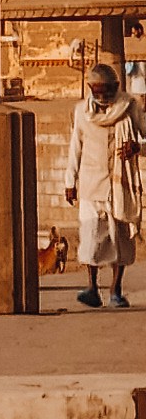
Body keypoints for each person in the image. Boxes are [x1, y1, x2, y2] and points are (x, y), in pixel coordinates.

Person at [64, 64, 143, 310]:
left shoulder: (129, 108)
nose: (102, 98)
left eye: (106, 91)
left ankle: (116, 289)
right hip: (92, 184)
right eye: (97, 92)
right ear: (90, 89)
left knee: (120, 239)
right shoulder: (81, 112)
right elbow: (75, 147)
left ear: (116, 88)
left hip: (120, 186)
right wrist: (70, 182)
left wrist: (137, 147)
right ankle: (92, 287)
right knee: (91, 238)